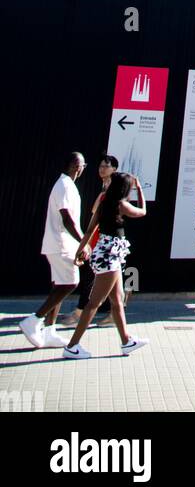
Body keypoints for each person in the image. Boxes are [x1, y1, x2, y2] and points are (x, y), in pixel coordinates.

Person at [62, 172, 148, 360]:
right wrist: (140, 189)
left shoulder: (103, 202)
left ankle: (126, 341)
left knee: (117, 300)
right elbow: (142, 212)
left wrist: (80, 249)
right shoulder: (121, 205)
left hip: (105, 252)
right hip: (111, 256)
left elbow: (90, 229)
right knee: (94, 302)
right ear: (126, 189)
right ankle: (72, 345)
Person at [20, 153, 87, 349]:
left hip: (60, 243)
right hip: (61, 244)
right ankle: (34, 320)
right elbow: (67, 219)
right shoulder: (65, 185)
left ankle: (49, 331)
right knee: (70, 283)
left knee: (59, 284)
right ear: (76, 165)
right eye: (83, 164)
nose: (83, 168)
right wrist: (84, 242)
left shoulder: (65, 184)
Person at [59, 154, 119, 328]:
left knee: (93, 275)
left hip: (104, 236)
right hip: (99, 235)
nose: (102, 169)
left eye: (106, 166)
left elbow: (100, 212)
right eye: (100, 165)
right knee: (105, 277)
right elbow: (95, 211)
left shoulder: (114, 186)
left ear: (114, 169)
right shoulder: (105, 186)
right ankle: (113, 314)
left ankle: (81, 313)